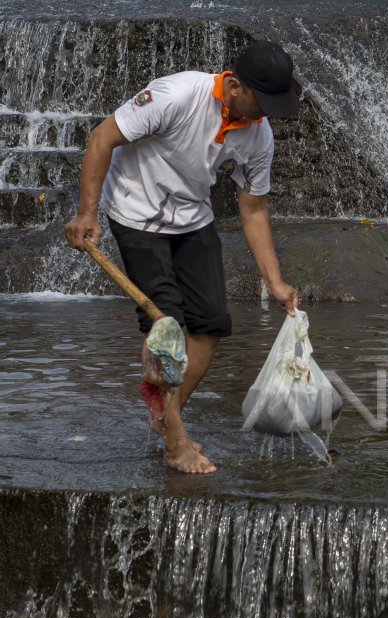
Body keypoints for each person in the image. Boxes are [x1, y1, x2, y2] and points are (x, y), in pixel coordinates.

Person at [64, 40, 301, 474]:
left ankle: (165, 413)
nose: (265, 114)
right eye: (261, 102)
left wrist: (275, 281)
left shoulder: (258, 134)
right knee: (166, 325)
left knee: (211, 325)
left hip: (192, 217)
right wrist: (87, 212)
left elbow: (253, 208)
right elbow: (102, 138)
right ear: (232, 86)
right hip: (135, 211)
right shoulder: (176, 95)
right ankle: (176, 442)